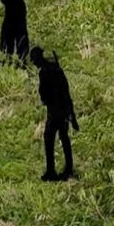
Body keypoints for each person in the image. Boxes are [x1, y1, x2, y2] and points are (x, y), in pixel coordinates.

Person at [33, 46, 78, 180]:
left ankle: (51, 171)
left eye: (34, 59)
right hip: (62, 109)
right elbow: (66, 93)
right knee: (64, 138)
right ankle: (68, 169)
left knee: (49, 139)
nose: (34, 62)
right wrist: (72, 116)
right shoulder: (57, 70)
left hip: (54, 110)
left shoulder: (45, 72)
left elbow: (45, 94)